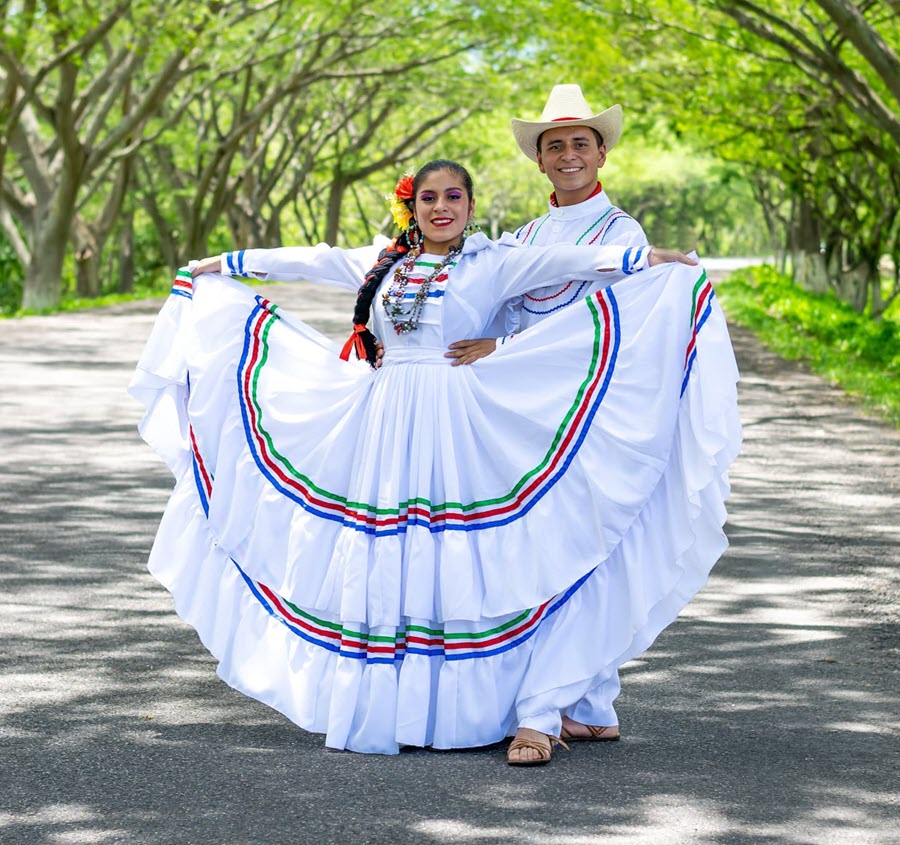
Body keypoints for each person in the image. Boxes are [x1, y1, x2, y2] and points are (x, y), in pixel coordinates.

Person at [130, 159, 741, 767]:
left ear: (471, 207)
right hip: (385, 415)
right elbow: (310, 260)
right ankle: (391, 700)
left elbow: (579, 262)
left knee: (454, 552)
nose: (441, 207)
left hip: (456, 418)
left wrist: (655, 261)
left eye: (453, 197)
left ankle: (480, 706)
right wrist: (225, 266)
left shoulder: (494, 261)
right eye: (428, 198)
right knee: (391, 551)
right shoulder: (382, 262)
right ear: (413, 207)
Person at [446, 85, 654, 747]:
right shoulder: (524, 237)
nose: (568, 155)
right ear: (539, 161)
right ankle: (588, 703)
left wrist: (503, 347)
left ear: (601, 154)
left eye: (580, 144)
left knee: (582, 553)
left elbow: (610, 326)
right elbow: (485, 308)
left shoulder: (622, 234)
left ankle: (541, 710)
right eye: (554, 145)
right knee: (534, 554)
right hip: (523, 420)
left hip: (589, 415)